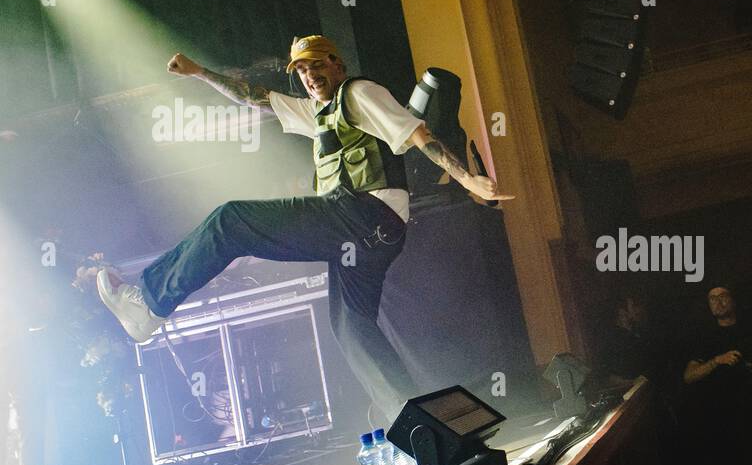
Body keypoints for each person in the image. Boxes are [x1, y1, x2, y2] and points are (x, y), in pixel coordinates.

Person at [94, 36, 509, 424]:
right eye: (302, 72)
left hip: (364, 214)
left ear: (336, 63)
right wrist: (200, 72)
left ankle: (149, 303)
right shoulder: (318, 113)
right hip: (369, 237)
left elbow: (419, 135)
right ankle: (418, 427)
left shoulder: (360, 93)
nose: (309, 77)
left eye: (315, 67)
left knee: (231, 221)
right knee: (351, 328)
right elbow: (255, 98)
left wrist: (466, 179)